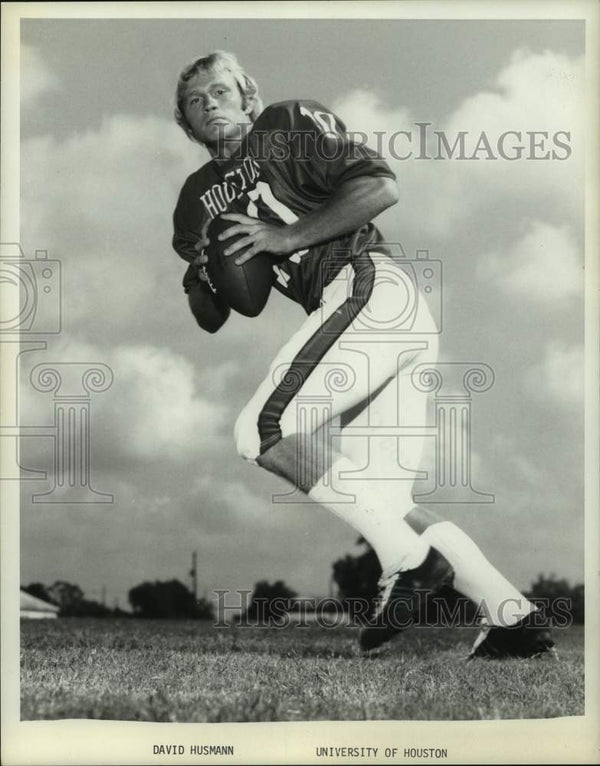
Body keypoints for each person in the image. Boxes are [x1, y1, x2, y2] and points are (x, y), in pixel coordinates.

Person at [171, 51, 554, 658]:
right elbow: (221, 315)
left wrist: (286, 236)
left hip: (366, 286)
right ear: (187, 126)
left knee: (262, 429)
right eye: (194, 102)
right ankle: (512, 616)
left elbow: (380, 187)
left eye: (219, 91)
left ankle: (408, 562)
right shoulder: (195, 200)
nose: (208, 104)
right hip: (365, 313)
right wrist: (200, 277)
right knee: (389, 501)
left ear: (247, 96)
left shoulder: (285, 122)